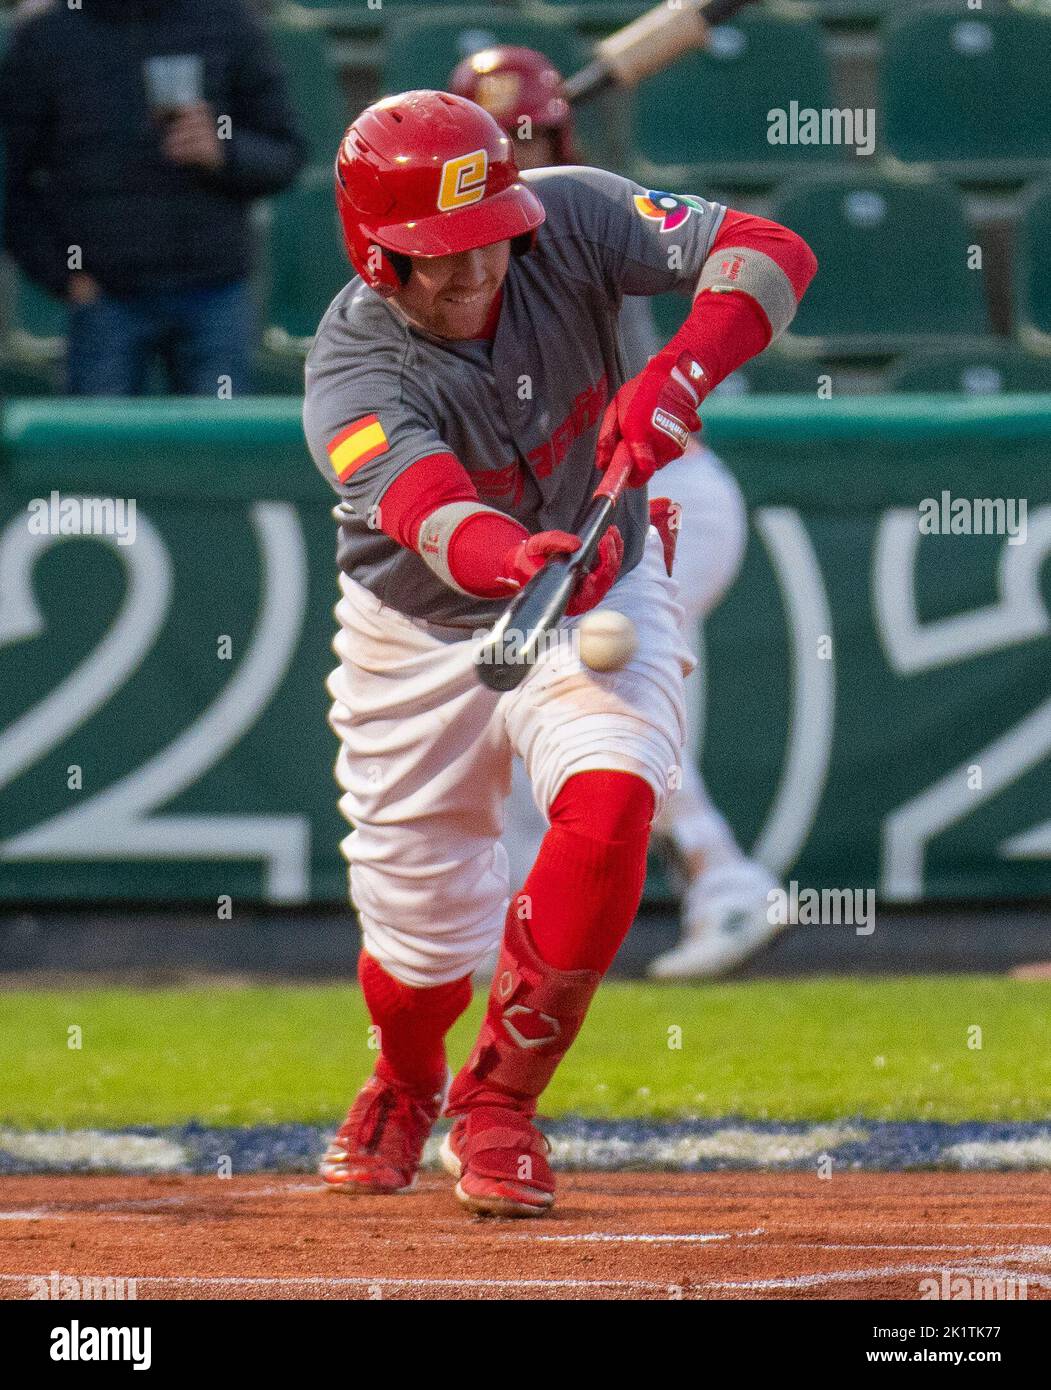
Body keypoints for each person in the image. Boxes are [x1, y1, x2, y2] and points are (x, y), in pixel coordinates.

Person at [303, 89, 816, 1216]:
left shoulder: (571, 212)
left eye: (487, 238)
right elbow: (423, 509)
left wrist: (679, 371)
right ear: (371, 249)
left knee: (615, 792)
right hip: (420, 627)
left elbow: (770, 249)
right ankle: (403, 1076)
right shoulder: (350, 365)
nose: (472, 271)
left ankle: (499, 1107)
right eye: (434, 256)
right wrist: (511, 557)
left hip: (601, 576)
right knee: (417, 942)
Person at [449, 46, 785, 979]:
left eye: (533, 138)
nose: (517, 160)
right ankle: (529, 920)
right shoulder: (457, 247)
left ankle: (725, 883)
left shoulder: (578, 211)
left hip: (663, 491)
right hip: (598, 503)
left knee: (588, 690)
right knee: (543, 704)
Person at [0, 0, 306, 396]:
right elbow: (10, 180)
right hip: (104, 298)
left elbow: (286, 154)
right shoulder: (49, 37)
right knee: (100, 452)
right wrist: (65, 277)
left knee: (219, 450)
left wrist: (223, 151)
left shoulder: (228, 23)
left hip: (215, 292)